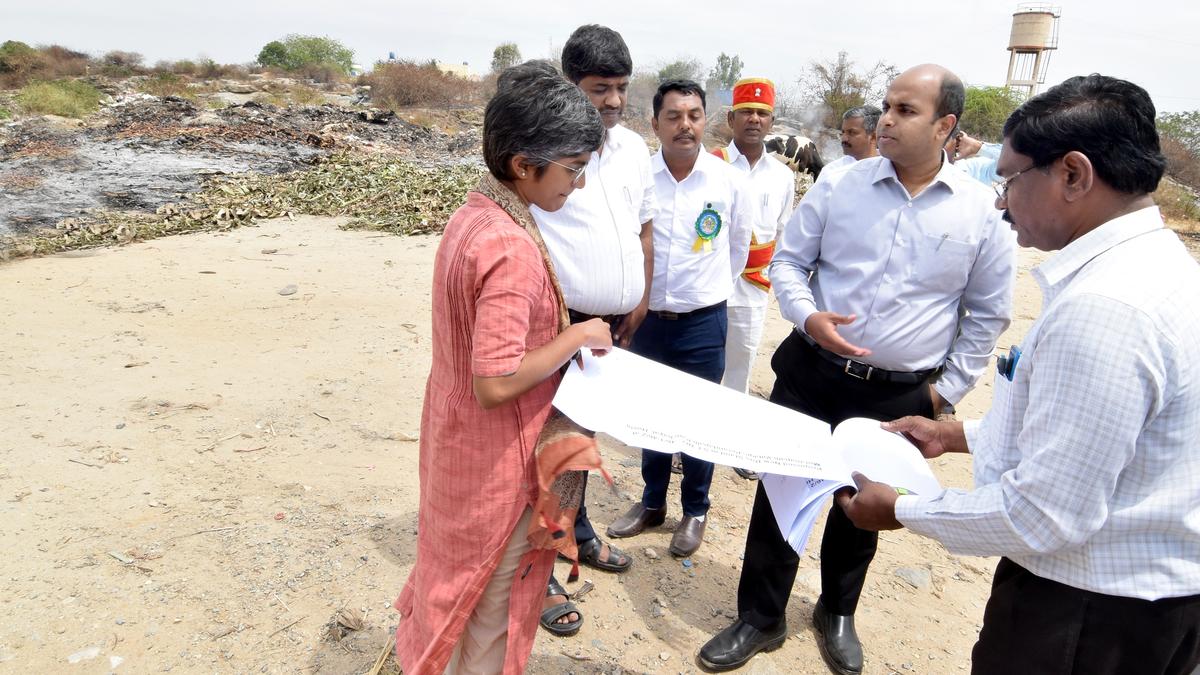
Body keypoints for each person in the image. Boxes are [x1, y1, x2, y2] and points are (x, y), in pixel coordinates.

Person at [838, 74, 1200, 675]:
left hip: (1086, 619)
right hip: (1146, 610)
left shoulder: (1106, 308)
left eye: (1009, 181)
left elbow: (1044, 515)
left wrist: (901, 509)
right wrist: (958, 435)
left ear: (1073, 175)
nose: (1000, 203)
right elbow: (1098, 438)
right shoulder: (1161, 268)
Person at [699, 64, 1015, 674]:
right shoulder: (840, 184)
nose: (886, 120)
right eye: (887, 106)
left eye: (905, 110)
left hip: (897, 394)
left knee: (865, 506)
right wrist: (808, 316)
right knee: (781, 495)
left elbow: (987, 315)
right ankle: (760, 617)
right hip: (810, 374)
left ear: (946, 126)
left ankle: (836, 611)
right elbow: (789, 263)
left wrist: (944, 393)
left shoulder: (979, 212)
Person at [393, 64, 613, 674]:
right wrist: (576, 335)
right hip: (496, 456)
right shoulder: (511, 249)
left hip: (458, 441)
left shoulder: (476, 215)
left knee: (451, 582)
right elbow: (494, 382)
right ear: (523, 164)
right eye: (572, 168)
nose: (578, 185)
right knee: (489, 604)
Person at [528, 23, 655, 636]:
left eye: (621, 87)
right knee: (546, 446)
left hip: (614, 328)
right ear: (569, 83)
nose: (614, 100)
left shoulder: (632, 150)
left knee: (581, 441)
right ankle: (539, 572)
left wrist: (640, 298)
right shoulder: (544, 150)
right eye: (600, 87)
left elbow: (645, 228)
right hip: (561, 327)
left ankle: (576, 532)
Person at [606, 79, 754, 558]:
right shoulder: (639, 176)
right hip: (646, 320)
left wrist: (705, 293)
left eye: (693, 115)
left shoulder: (729, 181)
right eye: (673, 116)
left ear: (705, 120)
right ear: (655, 124)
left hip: (703, 322)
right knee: (650, 415)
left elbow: (737, 248)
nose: (684, 125)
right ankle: (652, 503)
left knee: (699, 420)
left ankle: (695, 509)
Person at [710, 77, 795, 401]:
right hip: (708, 285)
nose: (754, 119)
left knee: (739, 369)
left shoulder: (783, 176)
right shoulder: (709, 165)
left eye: (762, 113)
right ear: (731, 118)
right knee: (701, 367)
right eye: (746, 112)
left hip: (752, 290)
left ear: (772, 121)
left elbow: (783, 234)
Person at [821, 105, 881, 177]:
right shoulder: (832, 173)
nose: (844, 139)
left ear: (873, 137)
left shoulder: (889, 169)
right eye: (843, 132)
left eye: (852, 133)